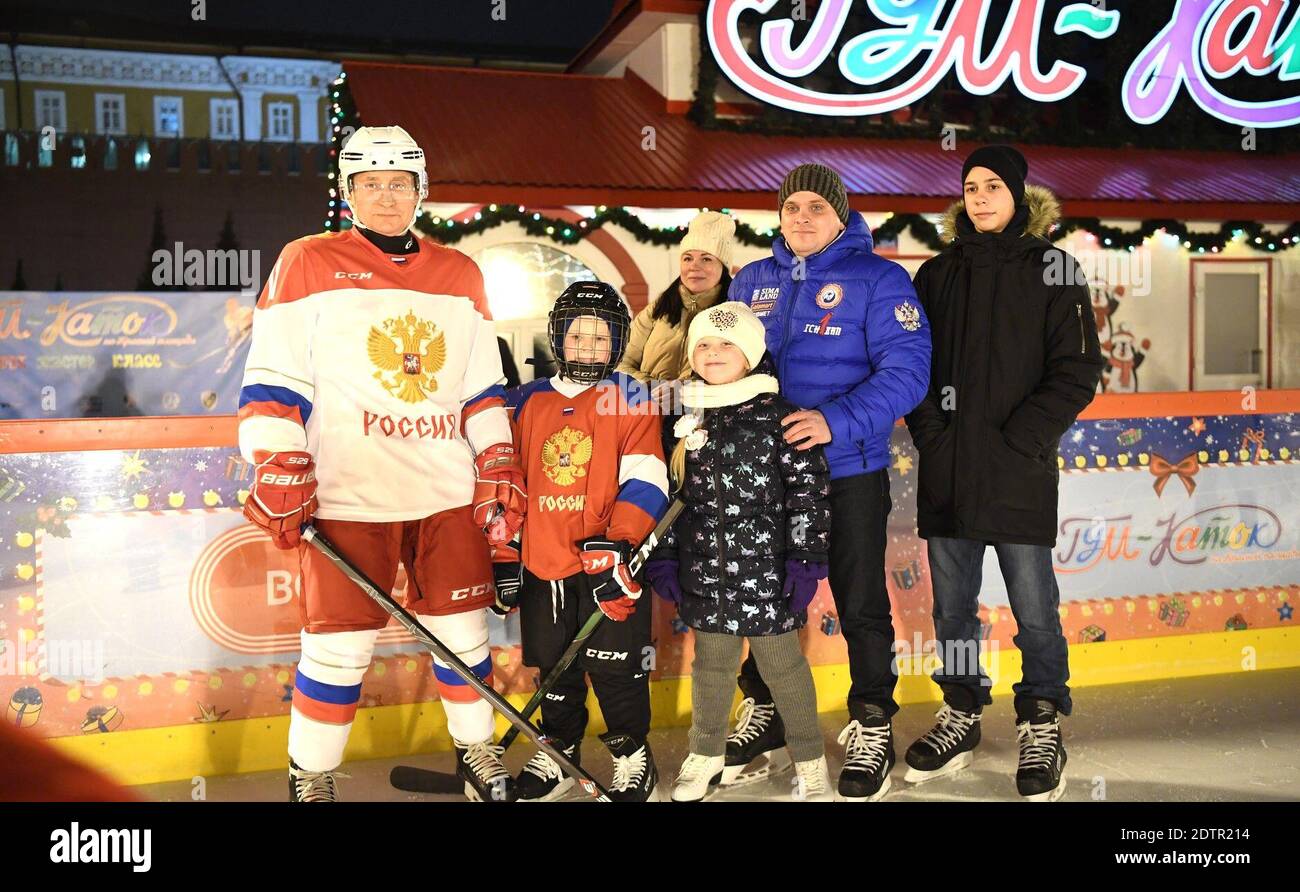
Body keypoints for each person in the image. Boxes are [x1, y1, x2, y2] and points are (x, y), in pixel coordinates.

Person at [237, 125, 526, 802]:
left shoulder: (461, 274)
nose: (387, 197)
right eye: (371, 184)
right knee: (337, 651)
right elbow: (275, 381)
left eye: (400, 184)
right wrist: (277, 457)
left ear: (420, 192)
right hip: (347, 494)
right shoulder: (306, 260)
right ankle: (311, 774)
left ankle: (477, 754)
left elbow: (480, 389)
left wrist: (497, 456)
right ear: (349, 193)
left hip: (444, 493)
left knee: (463, 639)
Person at [903, 145, 1105, 802]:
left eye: (994, 185)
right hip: (949, 473)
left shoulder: (1054, 270)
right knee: (954, 611)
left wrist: (1020, 439)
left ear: (1018, 195)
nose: (981, 196)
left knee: (1035, 608)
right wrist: (935, 436)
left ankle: (1042, 716)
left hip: (1019, 471)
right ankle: (961, 709)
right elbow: (915, 370)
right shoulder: (936, 275)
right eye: (971, 186)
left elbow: (1076, 371)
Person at [731, 163, 931, 801]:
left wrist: (833, 421)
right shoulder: (754, 279)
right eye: (791, 207)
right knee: (767, 598)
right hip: (769, 476)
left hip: (847, 471)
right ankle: (762, 709)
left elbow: (907, 373)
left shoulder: (880, 279)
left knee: (860, 600)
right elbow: (725, 364)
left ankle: (872, 720)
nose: (801, 217)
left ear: (841, 216)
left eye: (816, 206)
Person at [646, 302, 832, 802]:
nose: (713, 352)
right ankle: (703, 756)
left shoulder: (782, 417)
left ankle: (811, 762)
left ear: (749, 355)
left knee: (783, 669)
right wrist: (664, 557)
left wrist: (806, 561)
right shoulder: (682, 419)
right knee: (710, 668)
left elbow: (809, 494)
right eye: (703, 344)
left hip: (766, 575)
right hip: (705, 574)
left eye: (726, 344)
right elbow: (670, 497)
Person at [496, 281, 670, 802]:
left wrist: (619, 543)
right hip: (544, 563)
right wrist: (506, 554)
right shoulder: (526, 400)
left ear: (617, 343)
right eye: (579, 336)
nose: (589, 346)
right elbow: (509, 483)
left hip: (608, 565)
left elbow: (647, 476)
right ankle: (559, 755)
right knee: (555, 670)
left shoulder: (631, 397)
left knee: (616, 670)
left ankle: (632, 756)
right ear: (559, 339)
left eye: (601, 337)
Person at [617, 211, 736, 408]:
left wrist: (686, 391)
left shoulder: (733, 314)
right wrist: (649, 387)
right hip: (646, 411)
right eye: (687, 258)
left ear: (723, 267)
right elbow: (621, 360)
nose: (694, 266)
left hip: (703, 420)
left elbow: (739, 376)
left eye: (706, 259)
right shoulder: (658, 308)